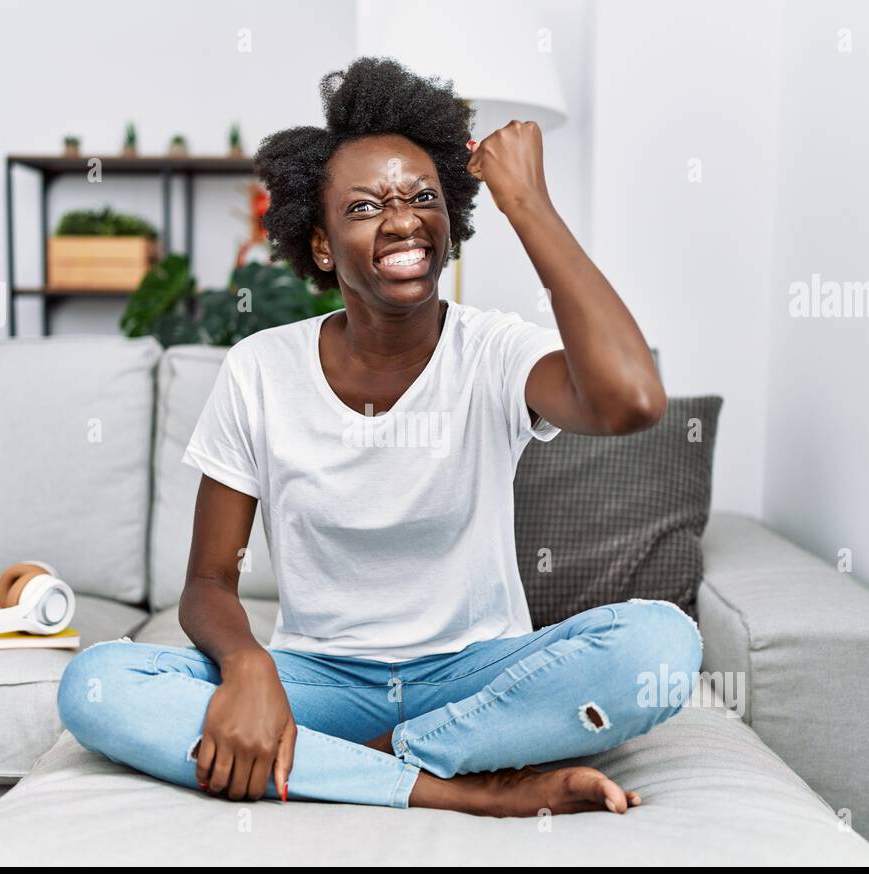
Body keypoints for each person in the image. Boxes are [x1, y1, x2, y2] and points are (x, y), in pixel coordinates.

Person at [59, 56, 703, 817]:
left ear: (450, 221)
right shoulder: (261, 370)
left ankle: (360, 769)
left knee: (659, 647)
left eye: (423, 197)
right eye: (366, 206)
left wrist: (527, 202)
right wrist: (248, 667)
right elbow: (207, 584)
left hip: (480, 674)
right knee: (96, 686)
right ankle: (465, 784)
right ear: (322, 245)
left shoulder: (494, 351)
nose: (402, 219)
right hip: (320, 683)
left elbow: (632, 399)